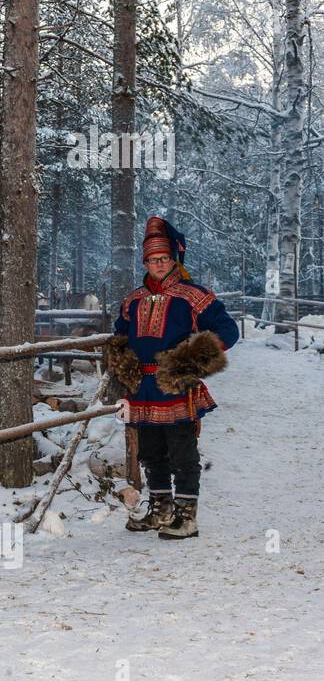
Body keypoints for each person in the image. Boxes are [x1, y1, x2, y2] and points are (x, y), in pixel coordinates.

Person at [105, 216, 239, 539]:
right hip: (143, 388)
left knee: (182, 450)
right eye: (152, 260)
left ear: (173, 258)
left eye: (164, 258)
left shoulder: (193, 296)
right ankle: (160, 510)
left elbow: (228, 331)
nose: (159, 264)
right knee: (150, 451)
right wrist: (122, 367)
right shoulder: (133, 301)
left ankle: (186, 516)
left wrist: (190, 362)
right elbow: (119, 338)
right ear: (145, 262)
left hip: (177, 385)